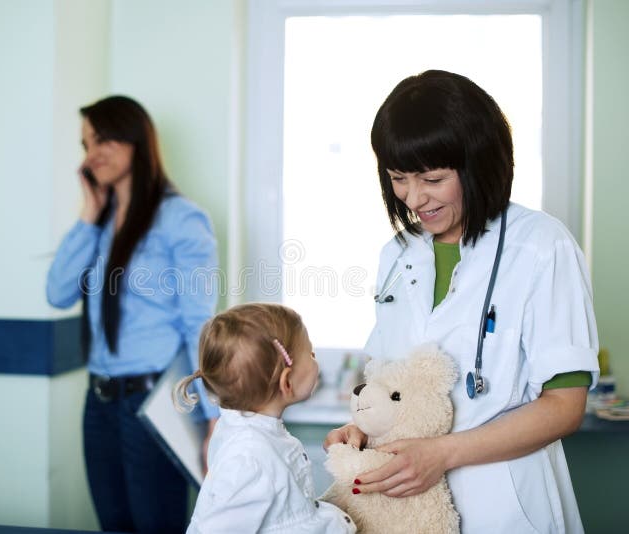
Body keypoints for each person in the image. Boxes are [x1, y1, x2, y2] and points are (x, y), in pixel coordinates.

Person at [324, 70, 599, 533]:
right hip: (409, 511)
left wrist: (443, 454)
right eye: (398, 178)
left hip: (507, 505)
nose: (414, 198)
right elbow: (392, 384)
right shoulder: (397, 256)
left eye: (432, 178)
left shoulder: (541, 246)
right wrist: (362, 432)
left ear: (478, 164)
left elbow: (565, 405)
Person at [46, 95, 219, 534]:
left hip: (154, 405)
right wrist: (89, 213)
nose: (92, 154)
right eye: (86, 144)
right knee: (113, 527)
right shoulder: (100, 223)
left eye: (103, 139)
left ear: (135, 140)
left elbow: (199, 324)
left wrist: (213, 417)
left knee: (156, 526)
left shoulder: (181, 219)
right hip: (99, 403)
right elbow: (58, 293)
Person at [175, 303, 357, 534]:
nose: (315, 360)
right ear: (287, 381)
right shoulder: (249, 458)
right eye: (311, 354)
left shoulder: (249, 431)